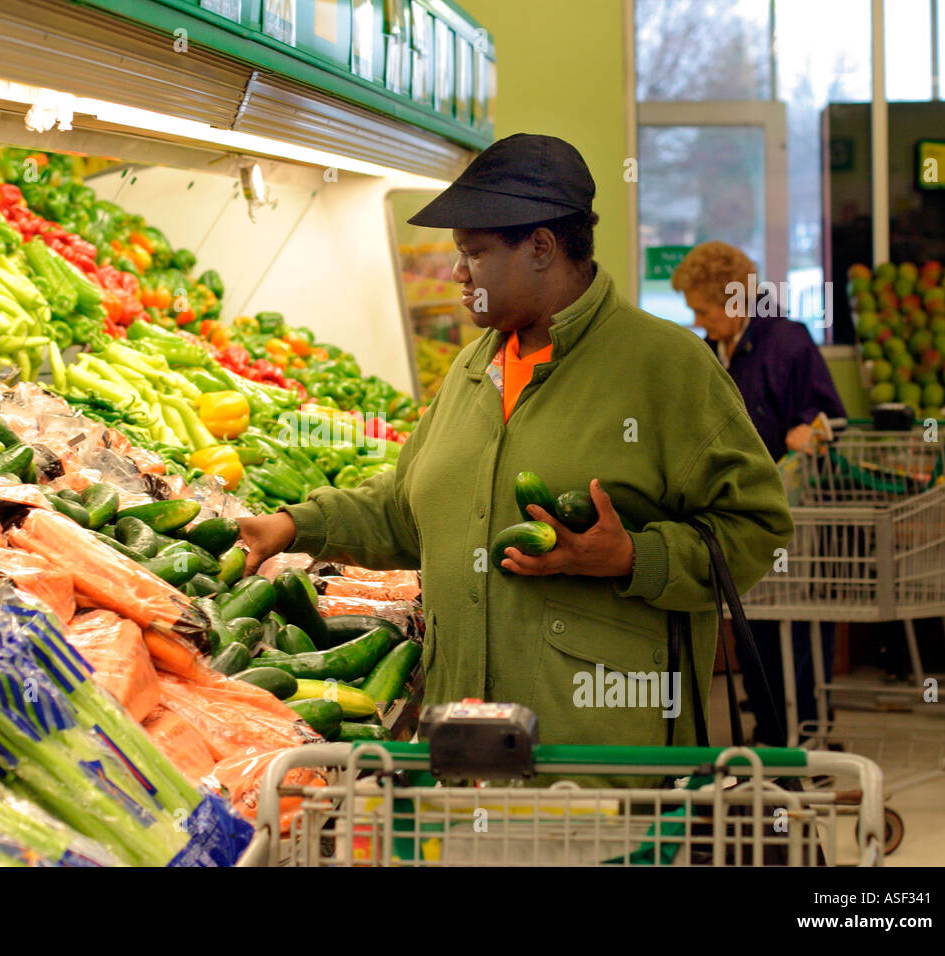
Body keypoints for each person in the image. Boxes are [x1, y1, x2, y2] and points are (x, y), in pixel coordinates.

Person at [239, 134, 794, 753]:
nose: (455, 273)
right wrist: (293, 526)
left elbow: (758, 528)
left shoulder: (667, 367)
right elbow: (408, 509)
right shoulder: (475, 368)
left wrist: (633, 556)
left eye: (473, 254)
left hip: (600, 757)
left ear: (540, 248)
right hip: (464, 745)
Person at [671, 240, 847, 744]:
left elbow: (829, 418)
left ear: (732, 303)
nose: (700, 323)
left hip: (792, 512)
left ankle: (805, 729)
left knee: (795, 623)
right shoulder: (711, 350)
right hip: (735, 511)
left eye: (703, 312)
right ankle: (771, 730)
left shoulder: (787, 342)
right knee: (754, 621)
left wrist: (807, 430)